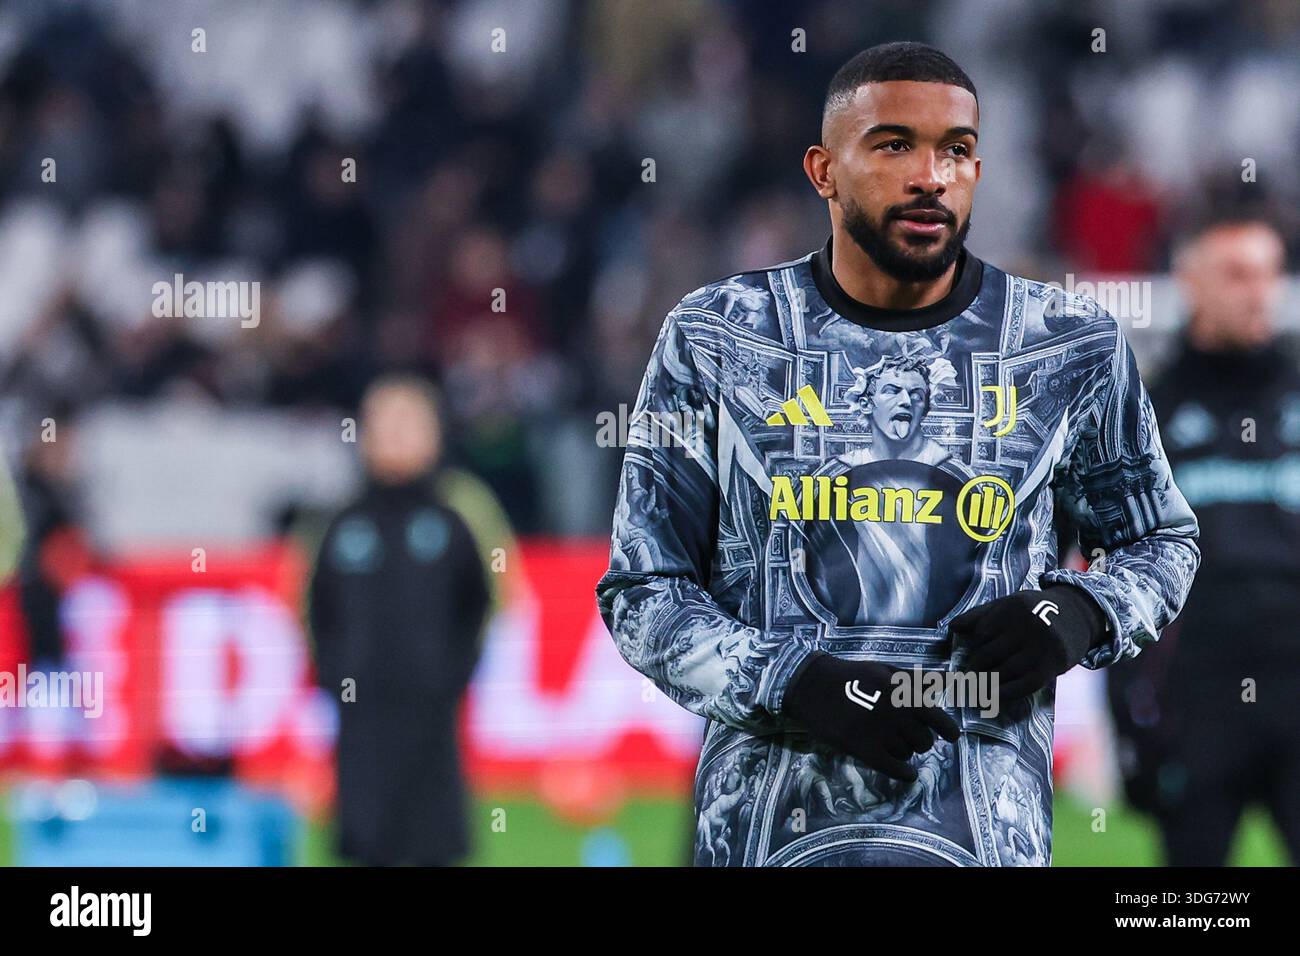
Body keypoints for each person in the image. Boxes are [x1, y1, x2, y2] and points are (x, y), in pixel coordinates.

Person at [596, 42, 1200, 867]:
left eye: (955, 149)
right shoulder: (716, 338)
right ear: (823, 170)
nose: (931, 175)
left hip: (985, 840)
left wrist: (1079, 613)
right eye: (893, 146)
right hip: (766, 839)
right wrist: (794, 684)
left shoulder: (1071, 347)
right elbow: (643, 589)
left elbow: (1160, 541)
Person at [1107, 215, 1300, 865]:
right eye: (1236, 274)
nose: (1258, 292)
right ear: (1189, 282)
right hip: (1193, 701)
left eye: (1269, 274)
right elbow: (1112, 569)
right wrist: (1126, 720)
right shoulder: (1144, 412)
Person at [309, 375, 490, 866]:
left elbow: (480, 604)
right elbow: (315, 610)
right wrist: (336, 676)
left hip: (431, 713)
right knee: (366, 836)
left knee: (432, 837)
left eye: (408, 423)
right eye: (382, 424)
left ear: (435, 434)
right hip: (361, 715)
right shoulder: (338, 522)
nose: (394, 435)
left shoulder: (458, 516)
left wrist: (449, 676)